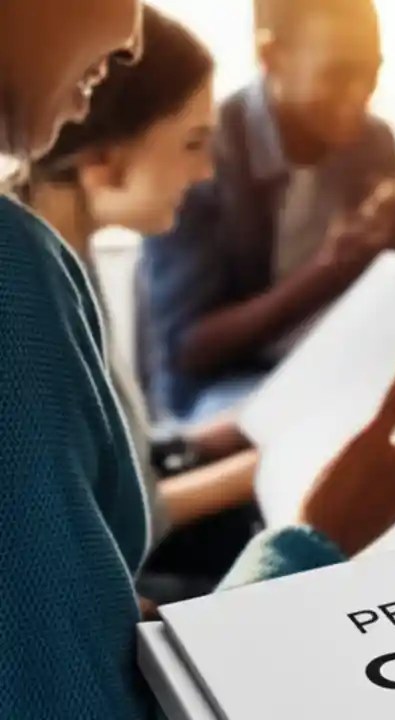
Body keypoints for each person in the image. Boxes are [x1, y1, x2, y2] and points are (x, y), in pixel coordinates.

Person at [0, 3, 395, 715]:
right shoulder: (18, 274)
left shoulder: (42, 270)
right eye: (191, 144)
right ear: (102, 159)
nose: (134, 33)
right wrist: (315, 535)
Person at [21, 7, 260, 584]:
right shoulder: (30, 299)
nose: (206, 171)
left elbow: (108, 453)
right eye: (193, 143)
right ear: (101, 159)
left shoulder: (73, 253)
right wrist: (271, 467)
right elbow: (124, 522)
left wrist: (206, 441)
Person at [138, 0, 395, 426]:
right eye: (336, 74)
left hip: (338, 370)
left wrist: (389, 248)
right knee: (327, 434)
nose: (359, 94)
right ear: (271, 57)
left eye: (371, 71)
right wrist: (327, 271)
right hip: (226, 385)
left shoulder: (372, 142)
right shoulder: (203, 155)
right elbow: (188, 348)